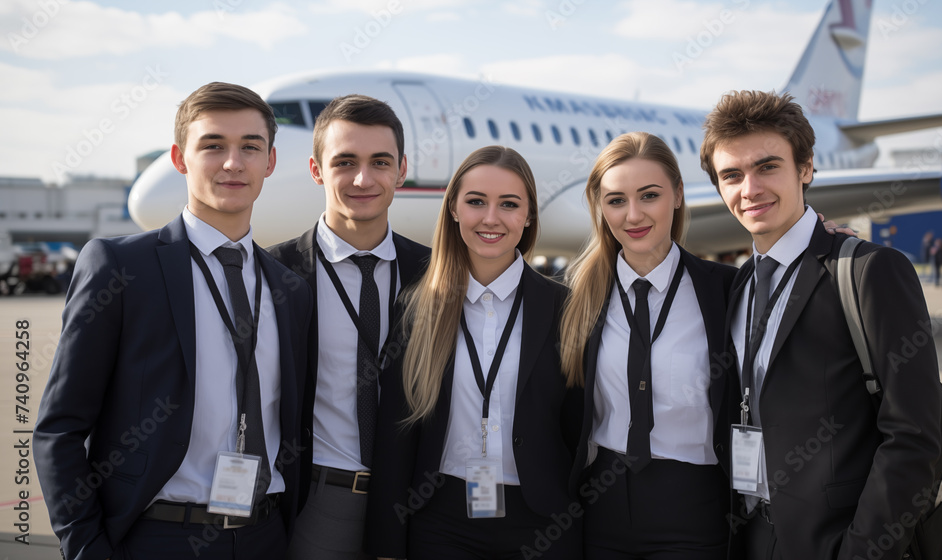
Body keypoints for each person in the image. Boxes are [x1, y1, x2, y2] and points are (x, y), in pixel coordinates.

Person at [34, 82, 313, 560]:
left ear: (269, 161)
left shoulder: (290, 288)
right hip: (157, 537)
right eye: (213, 146)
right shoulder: (120, 266)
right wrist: (85, 547)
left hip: (264, 535)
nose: (233, 162)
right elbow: (58, 428)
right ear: (179, 158)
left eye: (250, 147)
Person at [700, 90, 941, 560]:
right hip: (749, 537)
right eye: (732, 175)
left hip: (834, 542)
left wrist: (863, 550)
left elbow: (913, 435)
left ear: (806, 168)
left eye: (768, 166)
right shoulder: (739, 286)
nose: (749, 189)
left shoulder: (869, 270)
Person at [366, 146, 583, 559]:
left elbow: (578, 428)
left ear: (529, 215)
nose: (490, 218)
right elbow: (397, 437)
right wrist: (387, 544)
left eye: (509, 204)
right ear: (453, 209)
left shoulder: (566, 309)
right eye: (476, 202)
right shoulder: (416, 308)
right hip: (441, 521)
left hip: (543, 521)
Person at [560, 131, 739, 559]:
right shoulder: (572, 299)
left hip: (696, 511)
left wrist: (825, 246)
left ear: (678, 194)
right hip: (599, 510)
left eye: (649, 195)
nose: (633, 215)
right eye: (616, 200)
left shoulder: (728, 291)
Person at [268, 94, 430, 560]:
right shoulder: (275, 274)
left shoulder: (435, 274)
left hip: (415, 499)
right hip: (317, 500)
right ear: (317, 170)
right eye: (345, 162)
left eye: (380, 162)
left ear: (401, 170)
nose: (363, 178)